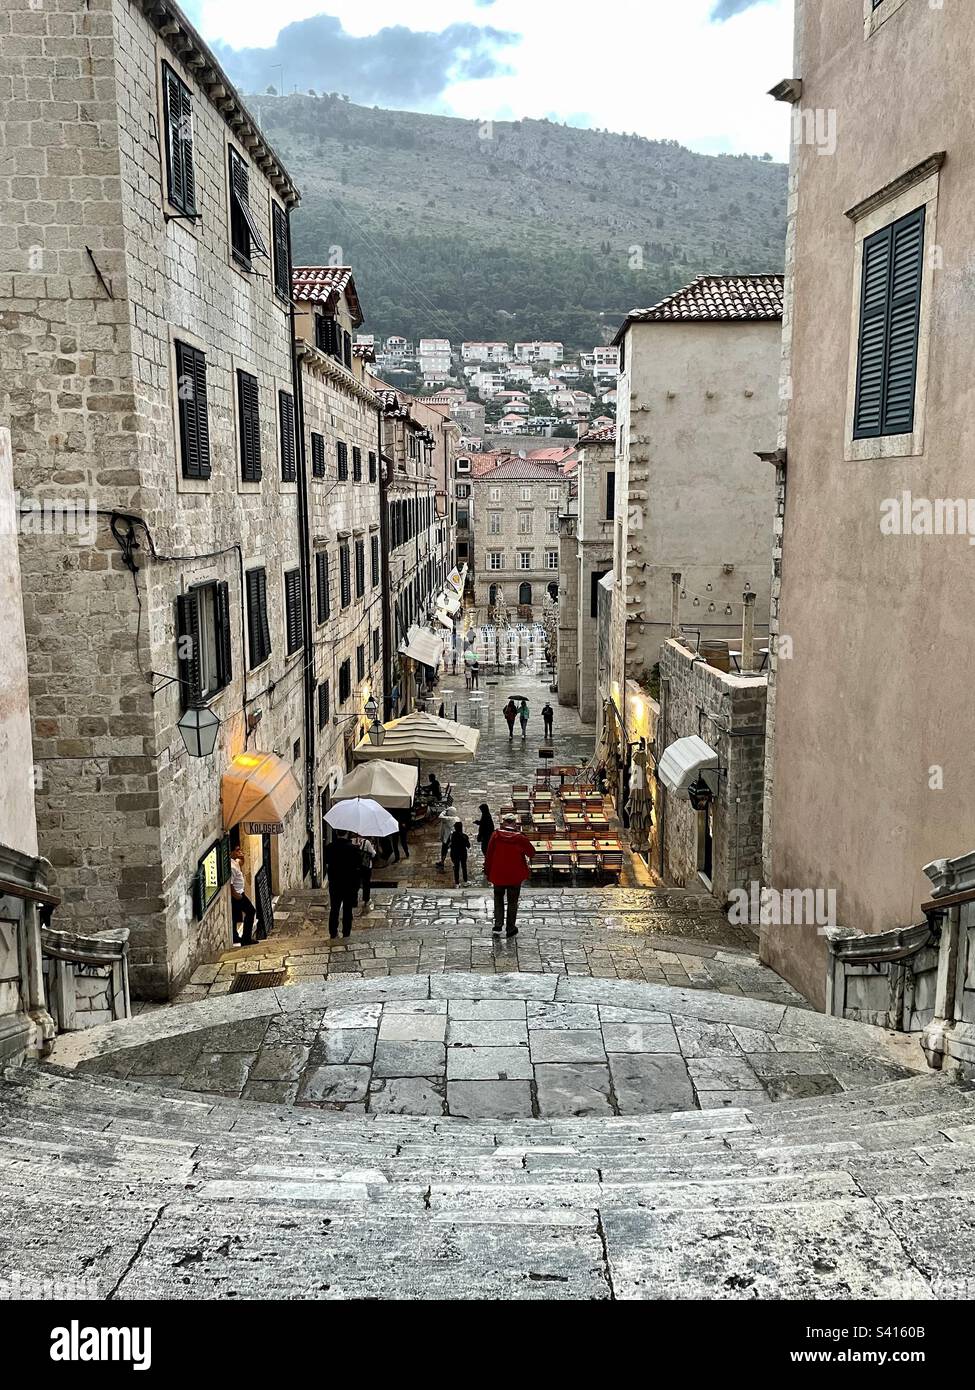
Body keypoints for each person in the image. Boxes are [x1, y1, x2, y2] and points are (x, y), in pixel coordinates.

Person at [484, 813, 535, 938]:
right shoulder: (520, 838)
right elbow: (531, 853)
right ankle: (510, 927)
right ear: (515, 823)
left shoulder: (495, 836)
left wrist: (487, 870)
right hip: (514, 876)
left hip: (498, 874)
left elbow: (489, 854)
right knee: (512, 902)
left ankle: (498, 924)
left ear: (503, 822)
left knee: (498, 899)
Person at [323, 830, 362, 938]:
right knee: (347, 909)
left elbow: (326, 861)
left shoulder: (330, 847)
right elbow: (358, 865)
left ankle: (333, 932)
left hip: (335, 882)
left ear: (336, 833)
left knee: (334, 908)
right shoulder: (353, 849)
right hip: (349, 883)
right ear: (347, 833)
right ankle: (346, 932)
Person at [229, 846, 256, 946]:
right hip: (238, 895)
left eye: (239, 849)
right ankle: (246, 939)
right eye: (237, 850)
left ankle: (235, 937)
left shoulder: (234, 862)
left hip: (240, 893)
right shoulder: (231, 867)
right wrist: (237, 896)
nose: (239, 851)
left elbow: (240, 863)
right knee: (251, 911)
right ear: (231, 852)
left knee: (235, 916)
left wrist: (242, 858)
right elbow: (230, 884)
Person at [358, 835, 376, 915]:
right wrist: (373, 848)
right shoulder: (367, 842)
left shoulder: (354, 840)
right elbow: (373, 854)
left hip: (358, 865)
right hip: (366, 865)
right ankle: (366, 899)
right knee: (366, 883)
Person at [449, 819, 470, 885]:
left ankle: (457, 883)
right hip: (463, 853)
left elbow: (451, 844)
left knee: (456, 868)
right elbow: (468, 846)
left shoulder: (453, 836)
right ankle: (465, 880)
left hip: (455, 853)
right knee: (464, 867)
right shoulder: (465, 836)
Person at [436, 798, 456, 869]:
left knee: (445, 850)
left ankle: (443, 862)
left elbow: (440, 816)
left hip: (447, 838)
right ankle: (443, 862)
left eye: (448, 811)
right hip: (449, 837)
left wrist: (444, 810)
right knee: (450, 851)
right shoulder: (454, 818)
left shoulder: (448, 819)